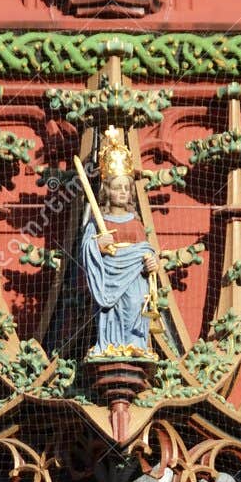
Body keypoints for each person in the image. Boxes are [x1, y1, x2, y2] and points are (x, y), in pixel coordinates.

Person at [79, 129, 160, 355]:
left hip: (135, 279)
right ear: (107, 191)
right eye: (117, 187)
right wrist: (97, 245)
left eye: (126, 187)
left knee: (135, 304)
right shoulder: (98, 221)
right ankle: (110, 346)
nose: (123, 192)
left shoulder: (136, 222)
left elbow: (146, 249)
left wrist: (152, 261)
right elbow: (85, 249)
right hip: (108, 279)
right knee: (110, 312)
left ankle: (135, 345)